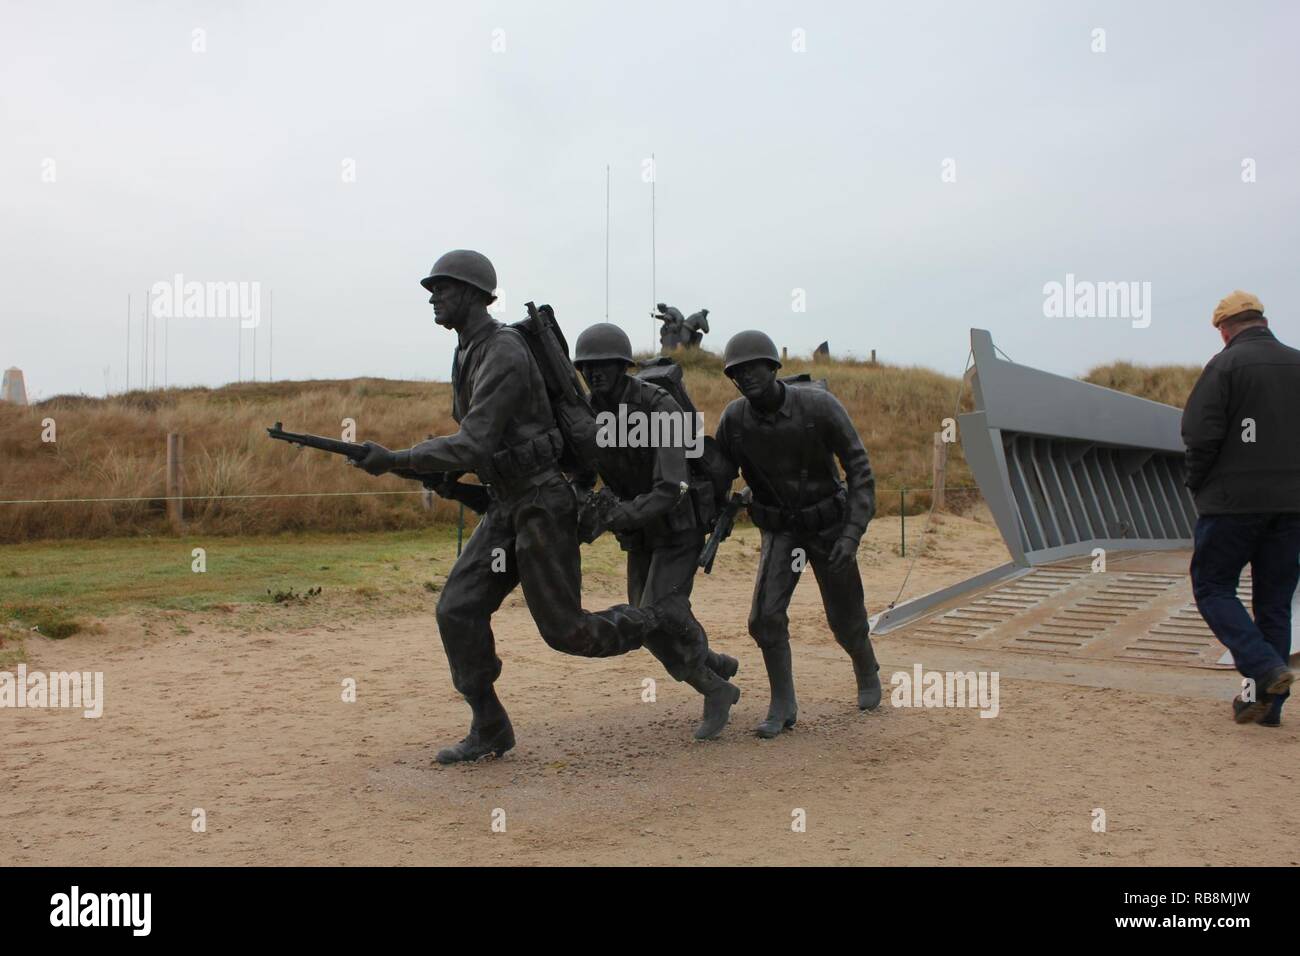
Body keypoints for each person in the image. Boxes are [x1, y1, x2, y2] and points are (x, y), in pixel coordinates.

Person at [356, 250, 697, 763]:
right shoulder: (465, 352)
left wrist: (398, 458)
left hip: (543, 501)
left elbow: (472, 442)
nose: (433, 297)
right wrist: (422, 465)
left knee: (568, 632)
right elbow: (476, 445)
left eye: (442, 288)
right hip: (506, 502)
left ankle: (653, 619)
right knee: (458, 609)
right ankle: (490, 726)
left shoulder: (504, 352)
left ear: (472, 293)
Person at [572, 322, 740, 739]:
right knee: (643, 621)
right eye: (587, 368)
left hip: (677, 525)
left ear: (622, 367)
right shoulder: (592, 412)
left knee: (655, 614)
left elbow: (670, 486)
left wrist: (620, 515)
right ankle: (711, 662)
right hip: (640, 533)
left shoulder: (657, 406)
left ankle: (715, 688)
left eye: (604, 366)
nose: (594, 375)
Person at [714, 330, 881, 737]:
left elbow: (860, 470)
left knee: (845, 619)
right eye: (738, 372)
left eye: (754, 367)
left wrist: (851, 535)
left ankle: (865, 665)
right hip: (782, 530)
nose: (747, 376)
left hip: (829, 526)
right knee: (764, 618)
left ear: (773, 367)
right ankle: (783, 702)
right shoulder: (734, 420)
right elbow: (716, 477)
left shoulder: (819, 406)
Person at [1182, 291, 1300, 726]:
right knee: (1274, 602)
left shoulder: (1225, 366)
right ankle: (1265, 706)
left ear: (1224, 329)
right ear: (1263, 321)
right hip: (1291, 507)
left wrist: (1200, 484)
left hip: (1232, 504)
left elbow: (1199, 434)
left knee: (1212, 586)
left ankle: (1263, 668)